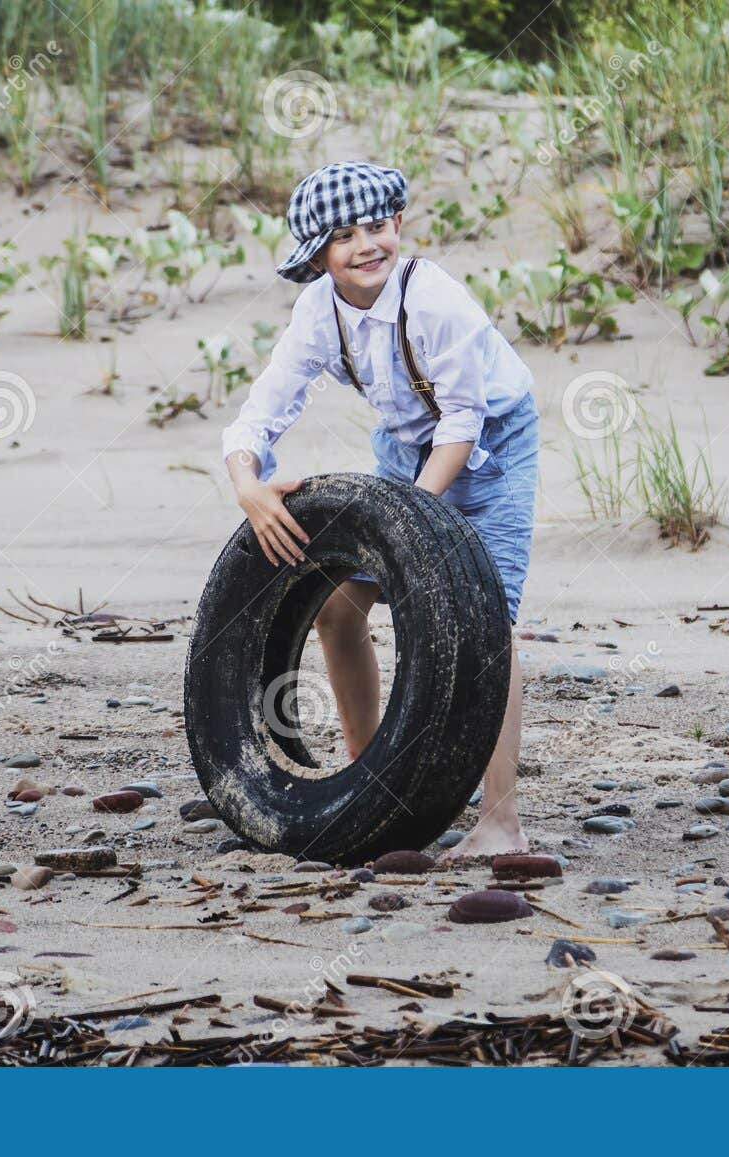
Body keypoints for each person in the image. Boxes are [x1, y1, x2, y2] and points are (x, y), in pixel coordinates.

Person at [220, 160, 539, 860]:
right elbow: (262, 411)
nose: (365, 245)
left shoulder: (436, 301)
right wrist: (247, 481)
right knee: (337, 606)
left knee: (490, 619)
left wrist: (412, 526)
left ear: (396, 224)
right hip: (404, 446)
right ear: (317, 255)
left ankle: (502, 821)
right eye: (343, 236)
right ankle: (372, 784)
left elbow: (462, 418)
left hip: (490, 443)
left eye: (376, 226)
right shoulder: (318, 312)